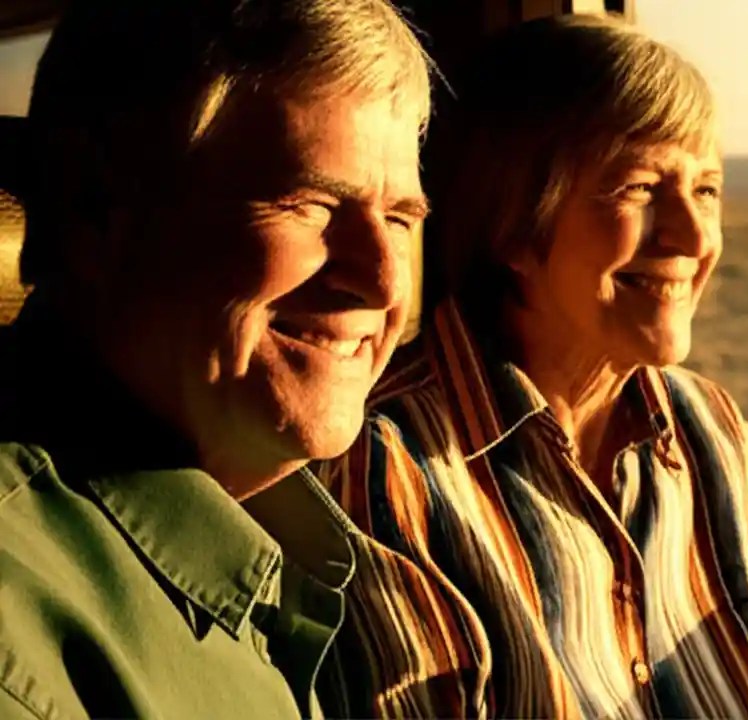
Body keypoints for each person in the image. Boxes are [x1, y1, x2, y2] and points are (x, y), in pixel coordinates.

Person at [323, 13, 748, 718]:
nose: (694, 235)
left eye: (707, 189)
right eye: (640, 189)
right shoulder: (387, 467)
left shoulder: (713, 430)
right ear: (515, 225)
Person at [0, 1, 431, 717]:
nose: (385, 280)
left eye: (400, 218)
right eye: (311, 203)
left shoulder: (300, 536)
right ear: (98, 215)